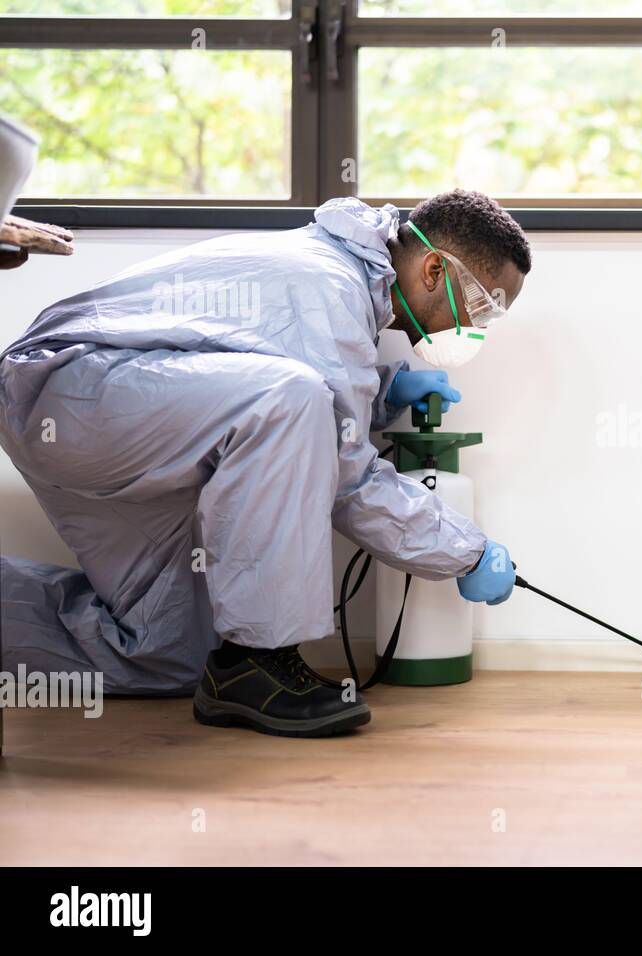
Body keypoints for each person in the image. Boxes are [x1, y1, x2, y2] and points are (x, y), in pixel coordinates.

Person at [0, 189, 529, 737]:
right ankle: (257, 661)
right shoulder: (330, 286)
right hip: (67, 389)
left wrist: (386, 396)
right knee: (291, 399)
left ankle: (221, 670)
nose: (479, 326)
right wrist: (467, 552)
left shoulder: (342, 282)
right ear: (435, 267)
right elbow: (346, 477)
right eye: (483, 305)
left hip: (105, 404)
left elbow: (244, 372)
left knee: (168, 650)